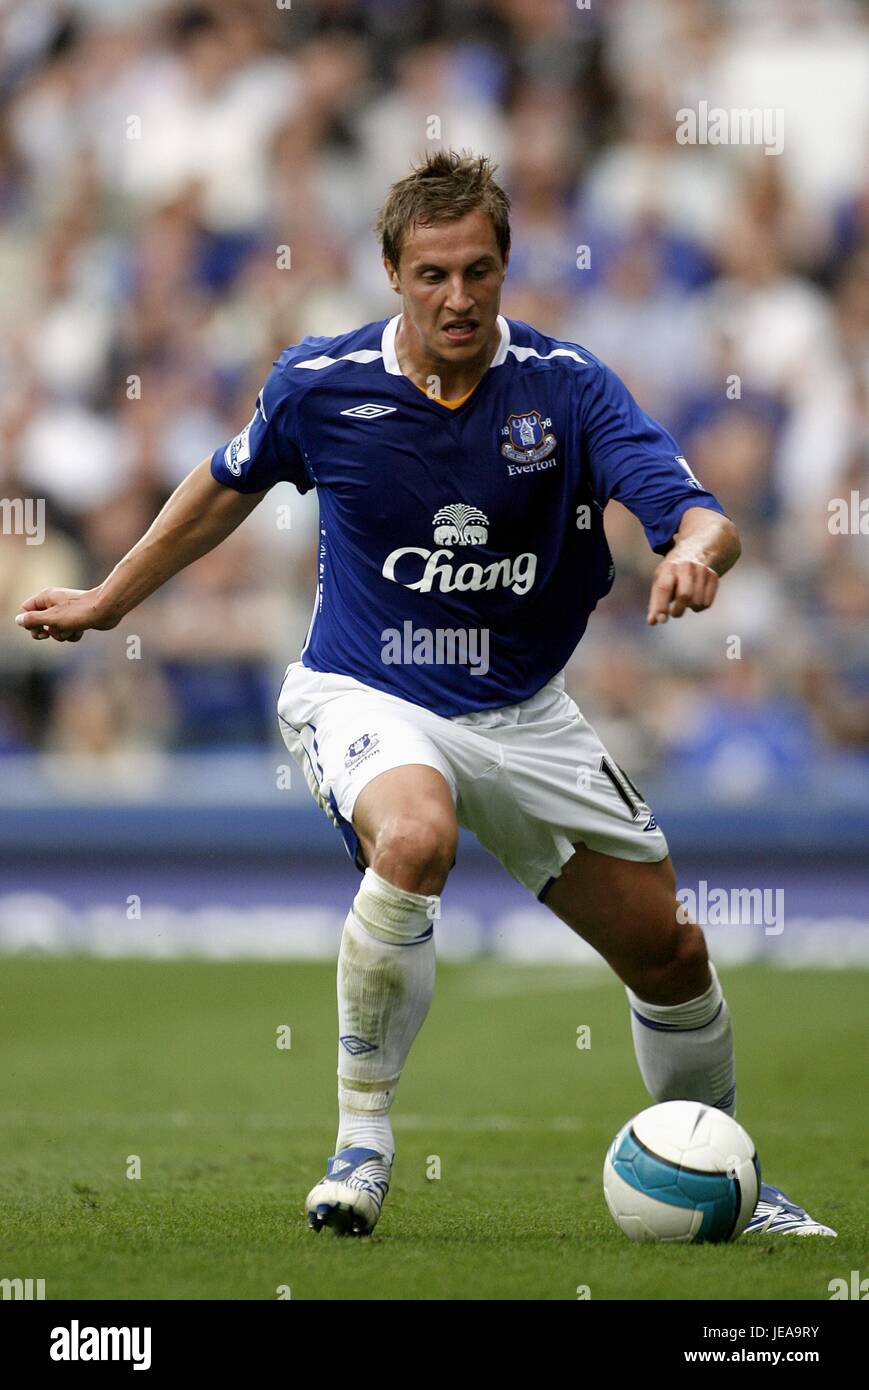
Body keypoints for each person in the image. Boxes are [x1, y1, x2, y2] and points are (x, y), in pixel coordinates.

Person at [16, 151, 834, 1240]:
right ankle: (361, 1144)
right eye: (433, 275)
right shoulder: (320, 383)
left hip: (524, 712)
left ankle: (720, 1165)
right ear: (392, 272)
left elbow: (699, 511)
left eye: (480, 272)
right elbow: (225, 483)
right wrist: (111, 599)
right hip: (366, 690)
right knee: (414, 838)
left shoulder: (565, 385)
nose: (459, 297)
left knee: (670, 951)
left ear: (506, 266)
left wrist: (693, 553)